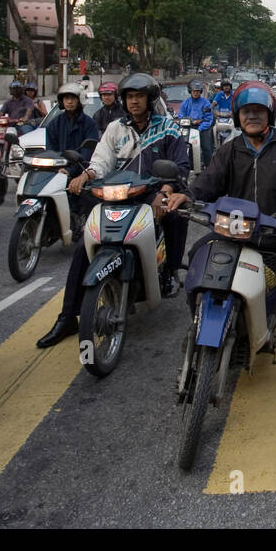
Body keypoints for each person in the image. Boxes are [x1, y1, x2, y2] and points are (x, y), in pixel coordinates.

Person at [162, 81, 276, 381]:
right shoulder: (229, 150)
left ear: (270, 114)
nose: (252, 117)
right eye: (246, 112)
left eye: (259, 111)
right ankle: (201, 322)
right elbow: (209, 180)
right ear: (237, 117)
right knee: (197, 258)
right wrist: (189, 195)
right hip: (233, 233)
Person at [36, 73, 191, 348]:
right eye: (130, 97)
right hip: (119, 195)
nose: (134, 102)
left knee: (176, 215)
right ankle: (67, 316)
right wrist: (86, 175)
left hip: (153, 193)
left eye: (139, 97)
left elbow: (179, 164)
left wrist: (166, 191)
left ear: (150, 99)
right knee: (85, 245)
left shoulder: (168, 127)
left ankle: (170, 272)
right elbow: (101, 160)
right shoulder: (115, 128)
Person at [179, 79, 216, 165]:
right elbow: (181, 116)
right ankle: (189, 166)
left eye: (198, 91)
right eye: (194, 91)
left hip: (203, 128)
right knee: (183, 147)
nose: (196, 93)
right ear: (190, 91)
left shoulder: (206, 103)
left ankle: (209, 167)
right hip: (189, 128)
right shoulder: (185, 103)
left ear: (201, 92)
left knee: (206, 148)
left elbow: (208, 119)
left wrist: (200, 128)